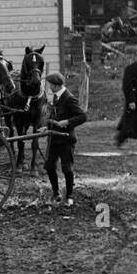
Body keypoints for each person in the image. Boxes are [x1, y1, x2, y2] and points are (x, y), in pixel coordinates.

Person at [42, 71, 87, 206]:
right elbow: (55, 117)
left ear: (56, 85)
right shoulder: (56, 97)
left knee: (67, 168)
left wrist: (67, 122)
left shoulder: (69, 98)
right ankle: (56, 193)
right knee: (49, 166)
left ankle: (69, 196)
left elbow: (82, 117)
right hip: (54, 139)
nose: (49, 87)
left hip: (66, 140)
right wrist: (47, 127)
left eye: (50, 84)